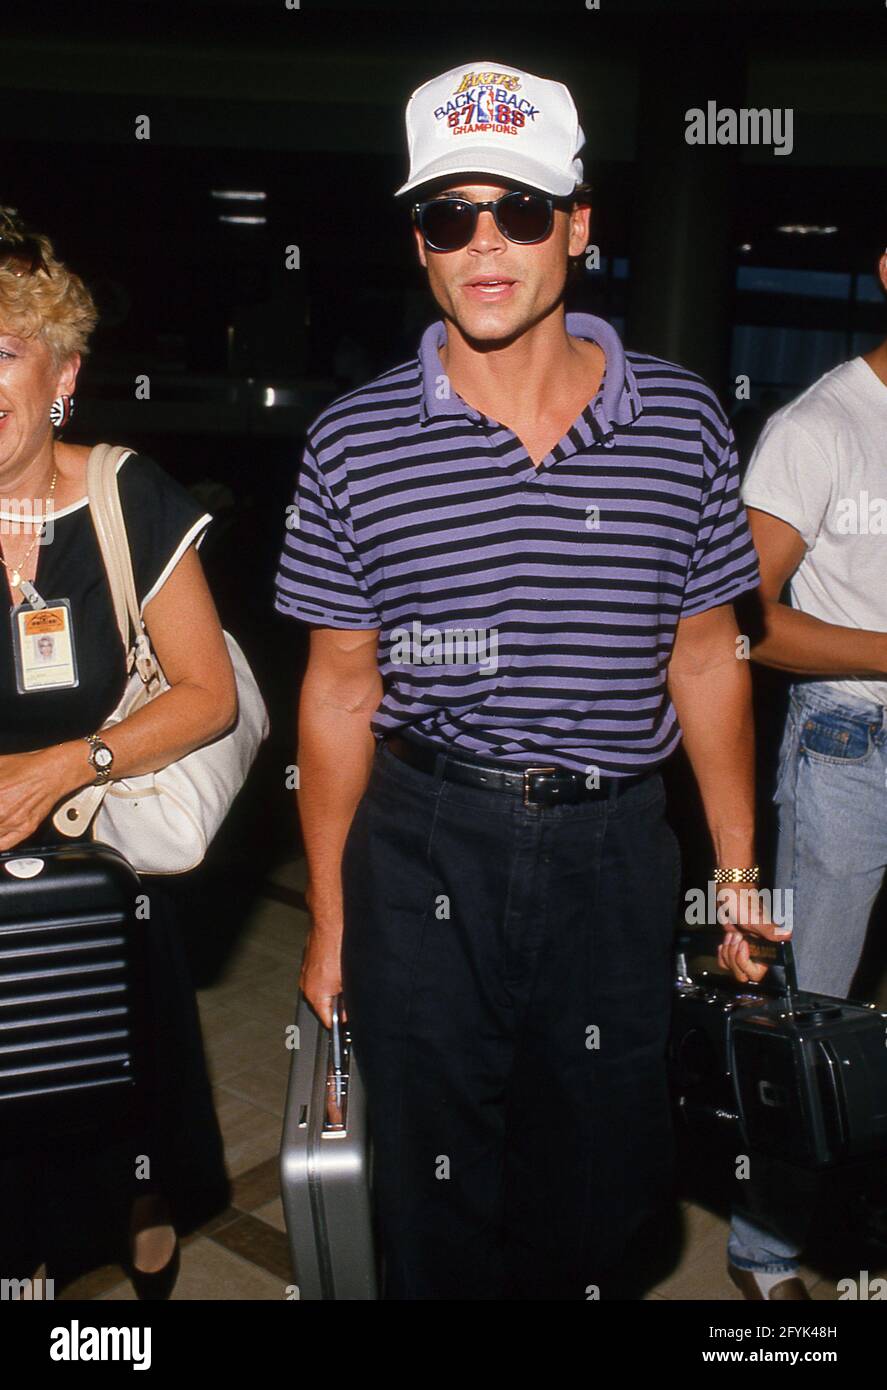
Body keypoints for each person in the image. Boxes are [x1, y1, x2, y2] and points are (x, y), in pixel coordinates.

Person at [275, 60, 773, 1300]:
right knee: (430, 1195)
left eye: (520, 210)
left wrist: (734, 871)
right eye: (450, 215)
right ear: (420, 241)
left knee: (599, 1181)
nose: (483, 244)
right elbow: (338, 691)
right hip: (424, 837)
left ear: (581, 226)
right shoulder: (356, 442)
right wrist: (331, 922)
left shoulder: (683, 422)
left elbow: (706, 652)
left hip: (615, 847)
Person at [0, 208, 234, 1296]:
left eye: (2, 350)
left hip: (101, 875)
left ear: (63, 371)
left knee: (109, 1124)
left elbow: (207, 695)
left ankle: (133, 1217)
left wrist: (67, 763)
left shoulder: (123, 494)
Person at [723, 245, 887, 1300]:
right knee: (810, 1009)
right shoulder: (819, 428)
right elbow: (747, 622)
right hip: (848, 744)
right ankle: (765, 1248)